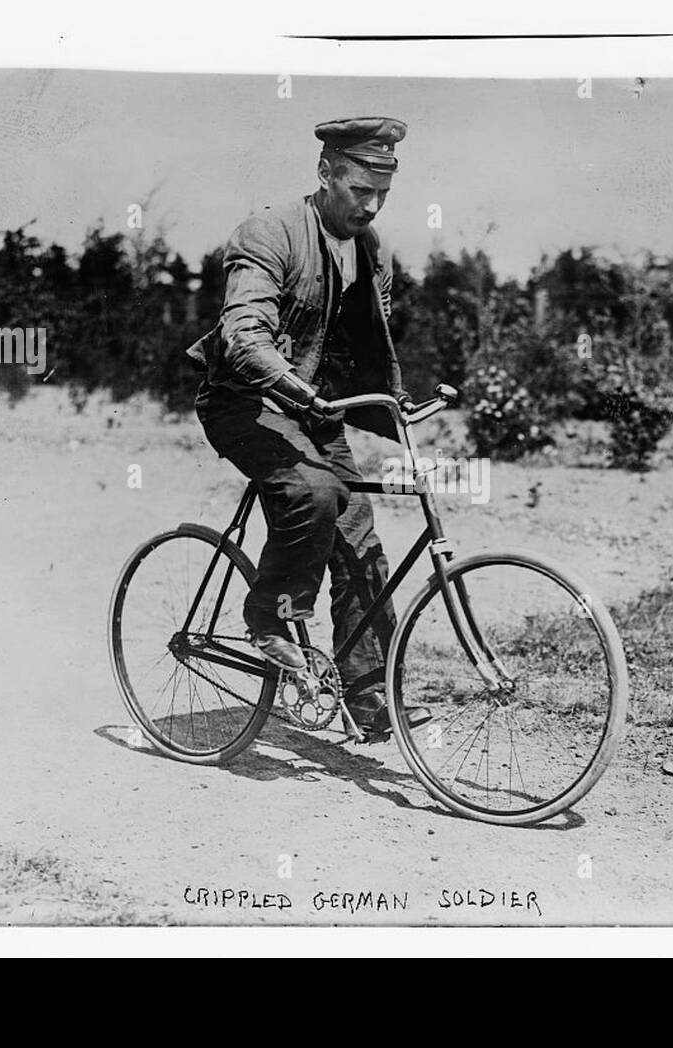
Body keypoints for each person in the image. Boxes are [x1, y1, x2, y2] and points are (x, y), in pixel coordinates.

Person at [186, 117, 430, 737]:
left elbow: (357, 344)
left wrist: (393, 404)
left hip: (314, 411)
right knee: (315, 493)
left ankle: (370, 697)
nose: (370, 208)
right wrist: (295, 387)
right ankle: (270, 615)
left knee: (362, 543)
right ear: (326, 174)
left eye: (382, 195)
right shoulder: (266, 233)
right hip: (244, 403)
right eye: (359, 192)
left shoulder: (372, 251)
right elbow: (244, 337)